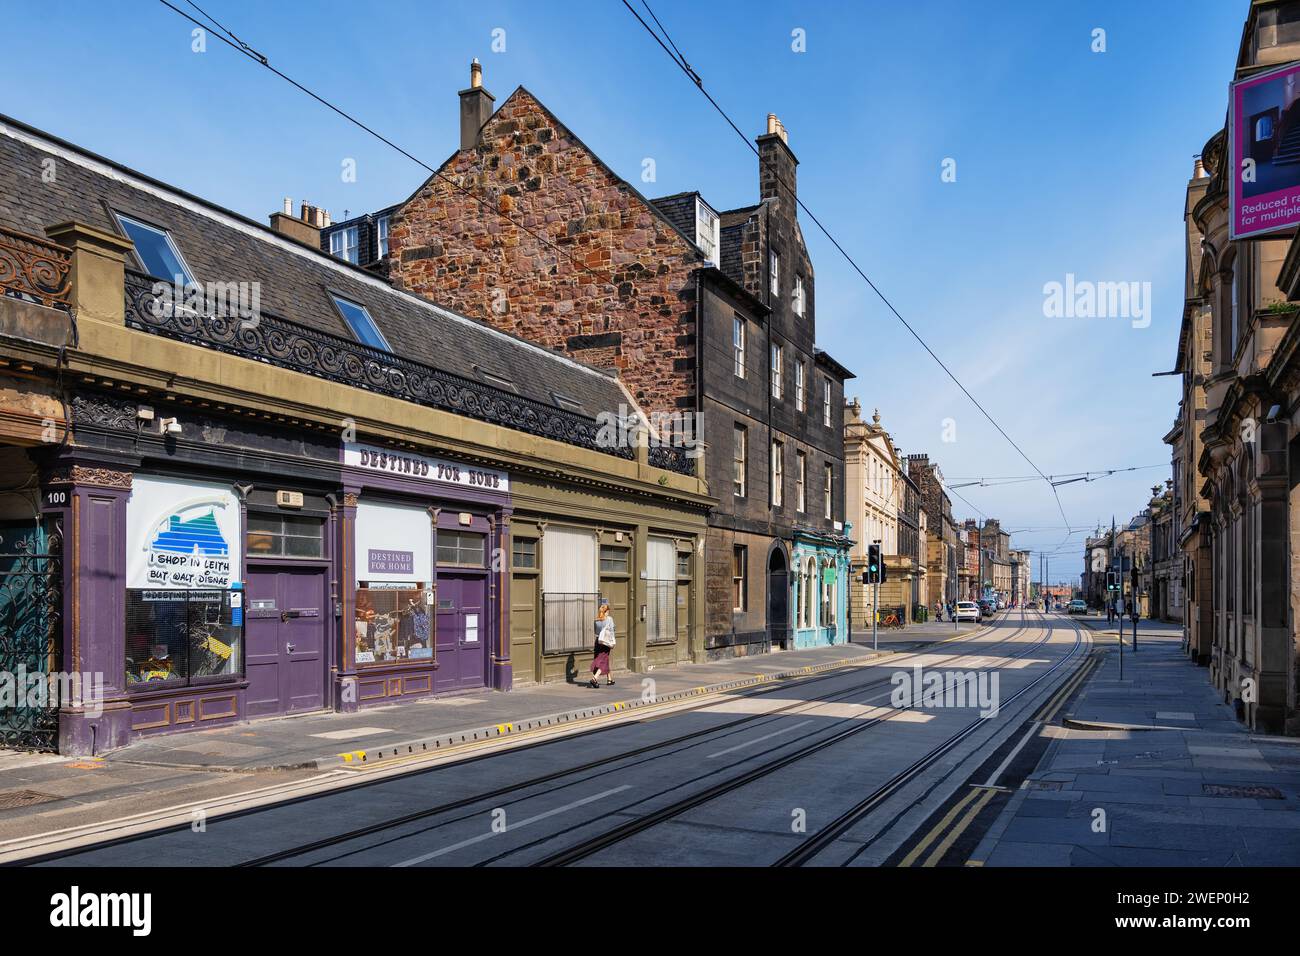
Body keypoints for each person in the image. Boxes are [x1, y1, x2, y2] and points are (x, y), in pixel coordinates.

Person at [588, 601, 616, 688]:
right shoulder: (609, 619)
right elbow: (612, 630)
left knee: (604, 659)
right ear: (606, 611)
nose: (609, 612)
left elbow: (596, 632)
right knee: (603, 661)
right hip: (605, 642)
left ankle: (609, 679)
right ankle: (594, 678)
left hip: (598, 641)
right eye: (608, 610)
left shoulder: (596, 620)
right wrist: (612, 641)